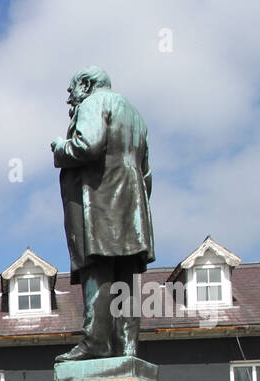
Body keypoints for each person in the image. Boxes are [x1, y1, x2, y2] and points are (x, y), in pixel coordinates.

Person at [50, 66, 154, 362]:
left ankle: (95, 343)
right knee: (127, 278)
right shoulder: (136, 116)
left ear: (85, 84)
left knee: (97, 268)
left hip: (99, 200)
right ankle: (127, 348)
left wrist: (61, 147)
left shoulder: (93, 103)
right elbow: (147, 174)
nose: (69, 99)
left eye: (71, 91)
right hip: (132, 205)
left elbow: (88, 145)